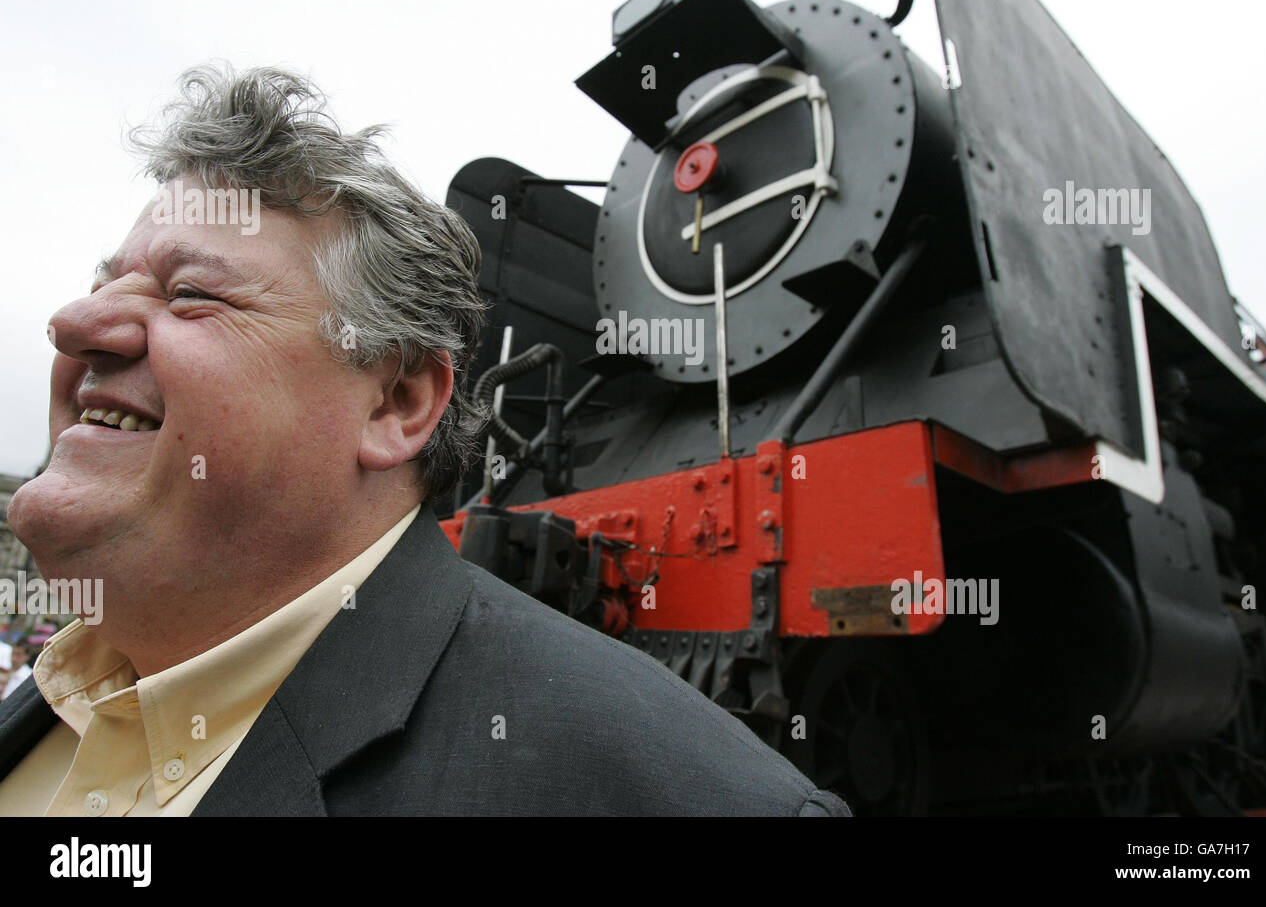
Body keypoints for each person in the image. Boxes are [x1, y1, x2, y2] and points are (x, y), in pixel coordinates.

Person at [0, 65, 849, 817]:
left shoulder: (689, 798)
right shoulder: (36, 710)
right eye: (102, 283)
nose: (73, 322)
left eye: (189, 293)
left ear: (397, 402)